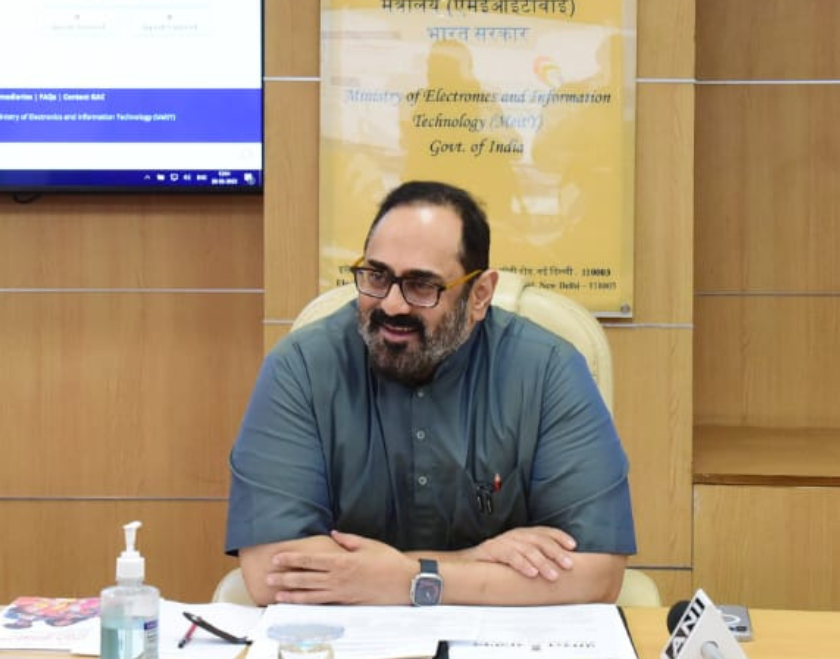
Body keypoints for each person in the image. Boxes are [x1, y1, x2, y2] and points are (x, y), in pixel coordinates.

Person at [225, 180, 635, 606]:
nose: (392, 305)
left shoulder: (547, 369)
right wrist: (467, 560)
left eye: (422, 285)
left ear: (480, 295)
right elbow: (272, 571)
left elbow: (597, 572)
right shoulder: (301, 367)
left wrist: (404, 579)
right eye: (377, 276)